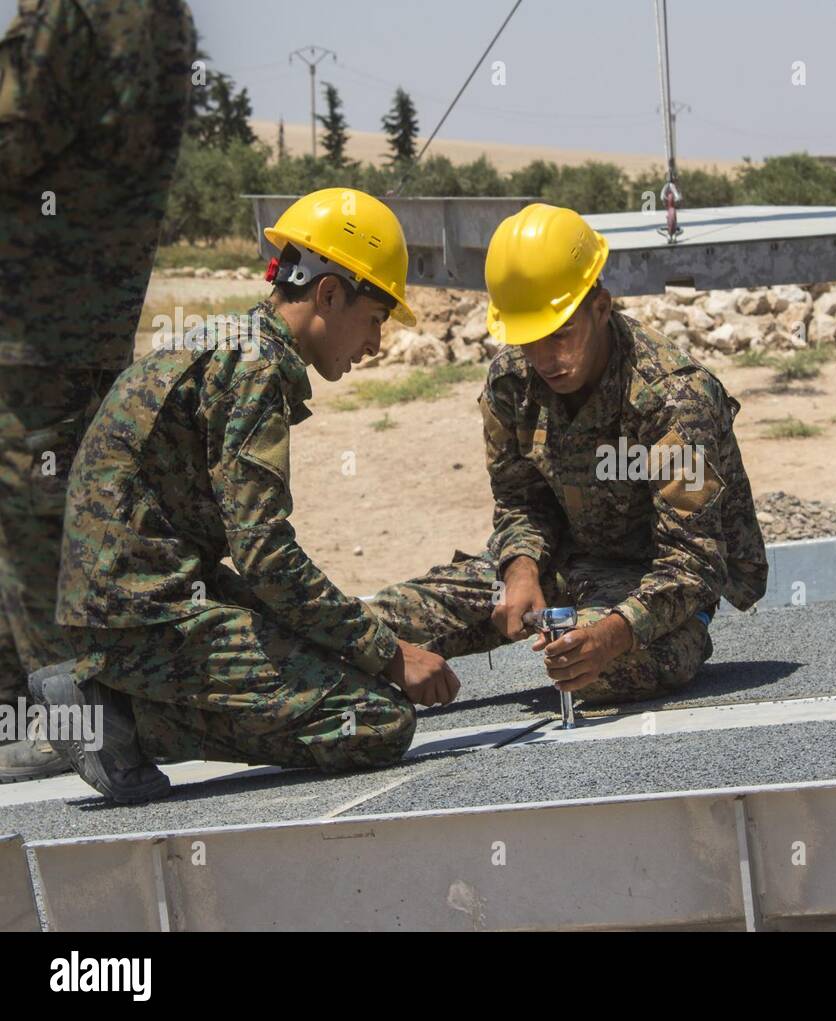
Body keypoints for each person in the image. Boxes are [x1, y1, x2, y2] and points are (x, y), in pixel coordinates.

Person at [32, 188, 459, 804]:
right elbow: (266, 557)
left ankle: (113, 699)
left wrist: (358, 646)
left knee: (339, 658)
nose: (375, 344)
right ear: (329, 294)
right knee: (374, 722)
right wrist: (389, 655)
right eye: (375, 319)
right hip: (139, 612)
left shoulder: (233, 344)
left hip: (136, 592)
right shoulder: (253, 368)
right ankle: (115, 712)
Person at [371, 203, 768, 706]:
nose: (545, 359)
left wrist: (612, 636)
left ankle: (622, 636)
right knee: (380, 623)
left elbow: (693, 563)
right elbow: (520, 503)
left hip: (652, 586)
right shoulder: (511, 381)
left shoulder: (672, 398)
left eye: (560, 334)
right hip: (563, 563)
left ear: (600, 308)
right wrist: (519, 571)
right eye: (528, 340)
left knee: (589, 666)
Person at [0, 0, 196, 781]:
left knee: (32, 518)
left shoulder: (75, 11)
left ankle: (69, 720)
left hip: (37, 319)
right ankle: (29, 707)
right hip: (80, 310)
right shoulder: (162, 14)